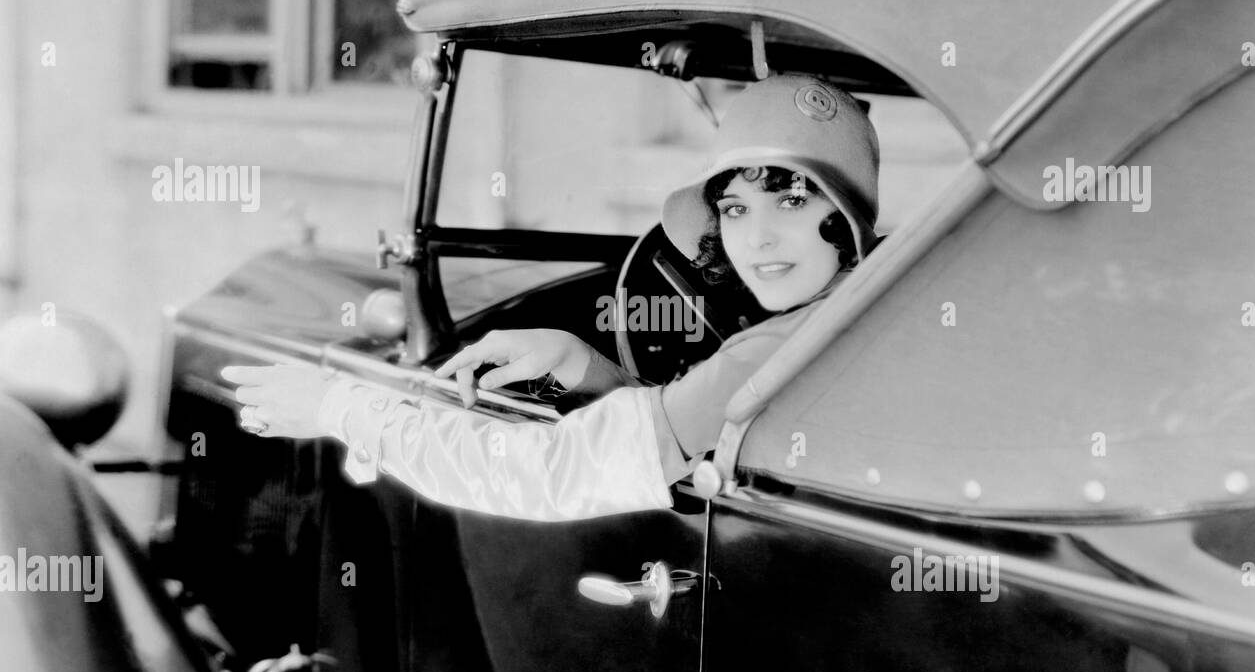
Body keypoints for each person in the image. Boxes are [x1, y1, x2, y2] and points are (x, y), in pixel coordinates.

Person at [222, 74, 880, 521]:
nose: (759, 238)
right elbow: (683, 436)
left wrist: (340, 406)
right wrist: (579, 363)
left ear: (846, 212)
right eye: (734, 208)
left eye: (793, 199)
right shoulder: (863, 313)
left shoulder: (781, 346)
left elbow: (543, 472)